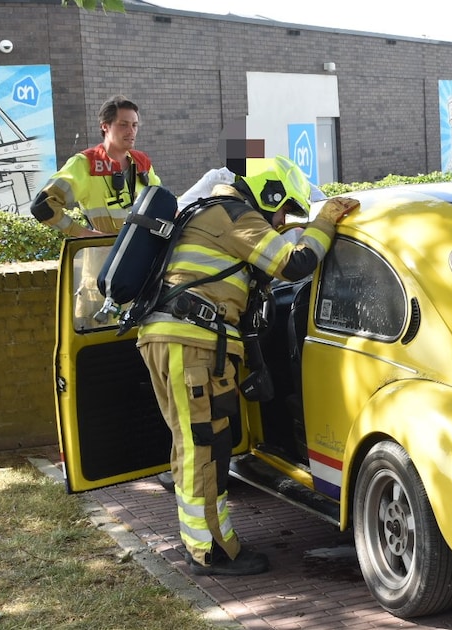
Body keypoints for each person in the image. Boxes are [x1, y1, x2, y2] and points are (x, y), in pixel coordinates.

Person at [137, 156, 359, 575]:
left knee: (196, 446)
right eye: (282, 207)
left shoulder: (211, 212)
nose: (281, 218)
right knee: (204, 449)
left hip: (178, 342)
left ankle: (207, 542)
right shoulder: (234, 215)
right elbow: (295, 263)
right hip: (192, 346)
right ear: (268, 192)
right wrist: (325, 220)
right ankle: (210, 552)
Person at [30, 95, 162, 327]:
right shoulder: (84, 164)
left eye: (135, 125)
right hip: (100, 281)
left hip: (142, 276)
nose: (131, 131)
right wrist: (85, 236)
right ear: (105, 126)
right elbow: (43, 206)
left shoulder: (142, 164)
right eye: (123, 124)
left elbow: (161, 206)